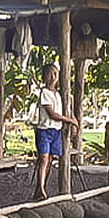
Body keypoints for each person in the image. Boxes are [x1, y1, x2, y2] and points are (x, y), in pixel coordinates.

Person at [32, 64, 79, 201]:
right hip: (44, 131)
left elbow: (67, 111)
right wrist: (69, 120)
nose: (53, 77)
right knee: (44, 159)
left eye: (55, 73)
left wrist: (74, 123)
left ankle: (40, 188)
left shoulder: (59, 95)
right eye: (50, 73)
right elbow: (52, 114)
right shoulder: (44, 93)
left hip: (57, 131)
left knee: (50, 160)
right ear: (44, 76)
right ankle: (41, 188)